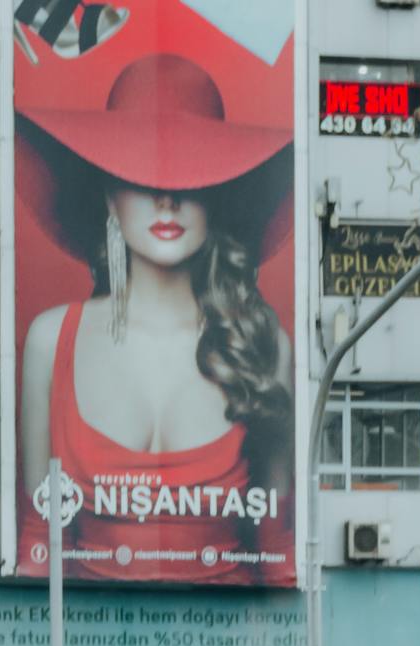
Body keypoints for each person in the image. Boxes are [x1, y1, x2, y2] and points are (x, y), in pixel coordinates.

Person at [17, 53, 295, 587]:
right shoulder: (52, 342)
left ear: (218, 192)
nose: (167, 199)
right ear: (109, 196)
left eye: (192, 175)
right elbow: (37, 543)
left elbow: (279, 550)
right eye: (141, 174)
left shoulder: (264, 345)